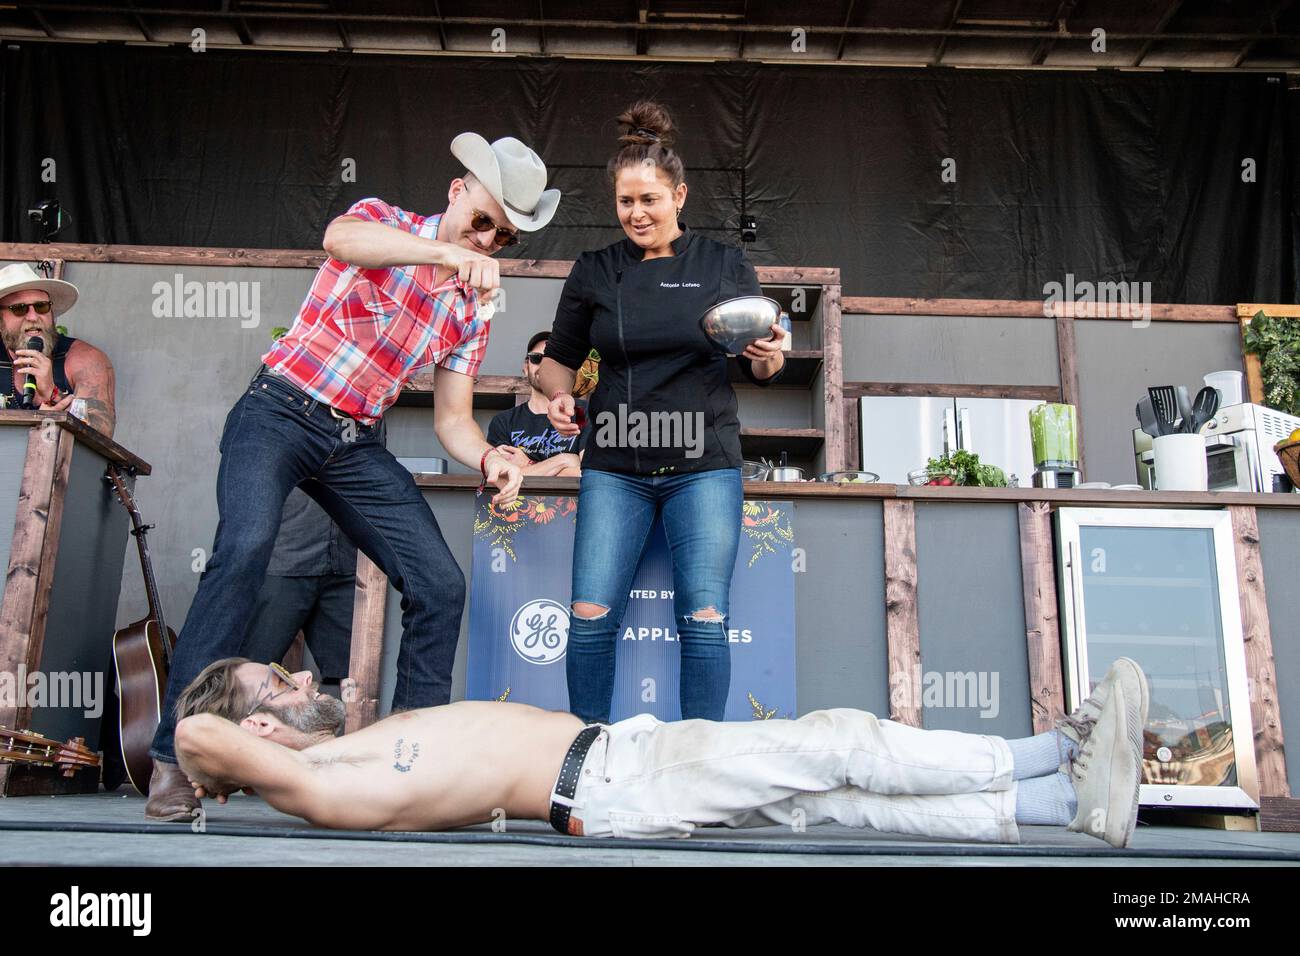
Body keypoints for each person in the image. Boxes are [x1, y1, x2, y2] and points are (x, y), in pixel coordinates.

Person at [144, 133, 559, 822]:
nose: (487, 241)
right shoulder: (386, 222)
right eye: (482, 221)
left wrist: (492, 457)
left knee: (440, 583)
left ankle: (410, 762)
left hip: (351, 442)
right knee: (244, 550)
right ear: (456, 193)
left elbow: (453, 421)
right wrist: (447, 252)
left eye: (503, 238)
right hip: (278, 409)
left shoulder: (468, 310)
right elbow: (342, 240)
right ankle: (172, 756)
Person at [173, 656, 1150, 849]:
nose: (300, 677)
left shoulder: (335, 753)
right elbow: (195, 732)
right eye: (278, 679)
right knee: (836, 744)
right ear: (256, 730)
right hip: (609, 777)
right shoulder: (316, 784)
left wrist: (283, 726)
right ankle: (1051, 751)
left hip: (618, 764)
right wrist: (197, 746)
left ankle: (1062, 805)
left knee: (838, 801)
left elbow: (259, 738)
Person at [535, 101, 788, 724]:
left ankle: (695, 766)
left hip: (703, 464)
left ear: (680, 195)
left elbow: (763, 362)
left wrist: (771, 350)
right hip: (614, 465)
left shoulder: (723, 265)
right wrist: (559, 393)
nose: (637, 214)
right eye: (626, 202)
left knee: (704, 618)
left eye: (649, 200)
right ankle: (585, 756)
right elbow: (557, 360)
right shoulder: (594, 270)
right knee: (590, 616)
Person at [239, 486, 358, 695]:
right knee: (252, 671)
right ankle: (237, 727)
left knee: (354, 678)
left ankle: (348, 728)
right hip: (284, 558)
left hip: (345, 559)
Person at [0, 262, 117, 435]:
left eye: (41, 306)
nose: (33, 317)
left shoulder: (86, 359)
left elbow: (103, 432)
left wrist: (53, 394)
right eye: (19, 309)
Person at [486, 330, 586, 477]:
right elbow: (502, 477)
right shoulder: (504, 422)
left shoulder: (585, 413)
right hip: (519, 501)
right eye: (537, 358)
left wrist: (526, 467)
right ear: (526, 367)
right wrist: (564, 460)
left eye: (554, 361)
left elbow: (589, 475)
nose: (544, 367)